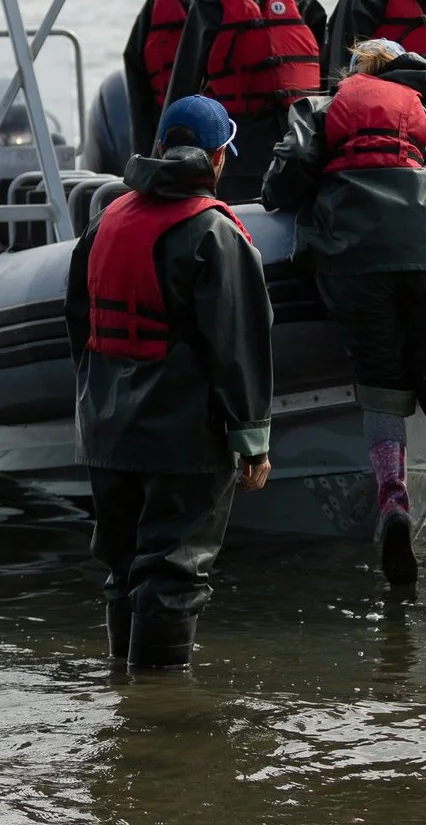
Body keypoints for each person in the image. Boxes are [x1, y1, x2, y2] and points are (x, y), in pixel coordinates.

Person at [262, 38, 426, 585]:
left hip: (354, 252)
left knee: (381, 381)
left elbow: (287, 178)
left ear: (356, 70)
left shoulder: (319, 108)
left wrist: (284, 194)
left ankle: (393, 503)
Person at [65, 94, 275, 668]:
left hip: (107, 428)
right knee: (174, 570)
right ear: (218, 159)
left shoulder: (105, 220)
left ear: (158, 146)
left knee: (123, 565)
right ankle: (161, 716)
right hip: (183, 436)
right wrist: (251, 436)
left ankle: (125, 703)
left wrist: (95, 400)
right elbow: (238, 345)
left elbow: (78, 321)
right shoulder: (215, 233)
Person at [163, 0, 326, 203]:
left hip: (303, 147)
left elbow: (330, 71)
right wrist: (168, 163)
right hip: (242, 159)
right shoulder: (209, 6)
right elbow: (183, 87)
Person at [122, 0, 208, 160]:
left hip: (221, 123)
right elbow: (137, 75)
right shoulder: (155, 5)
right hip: (170, 126)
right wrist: (143, 148)